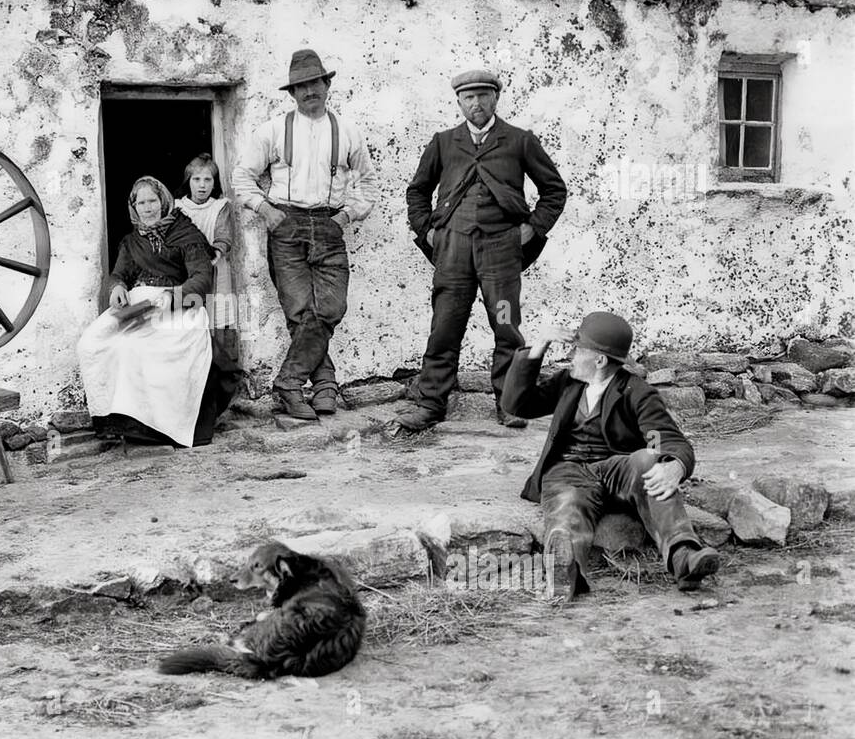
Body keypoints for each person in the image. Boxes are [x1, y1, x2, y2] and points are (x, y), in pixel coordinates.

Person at [501, 312, 722, 601]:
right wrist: (539, 345)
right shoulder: (569, 382)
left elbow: (664, 439)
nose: (571, 356)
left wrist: (675, 466)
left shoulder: (636, 392)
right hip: (569, 470)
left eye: (578, 350)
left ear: (600, 360)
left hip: (616, 469)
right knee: (568, 506)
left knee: (649, 460)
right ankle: (565, 572)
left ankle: (684, 556)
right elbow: (517, 404)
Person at [399, 67, 568, 432]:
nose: (476, 103)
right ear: (459, 101)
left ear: (496, 98)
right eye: (468, 97)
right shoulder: (444, 142)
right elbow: (417, 191)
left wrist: (532, 228)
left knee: (506, 326)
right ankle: (431, 405)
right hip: (453, 251)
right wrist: (428, 231)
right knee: (444, 327)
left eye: (483, 96)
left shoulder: (520, 140)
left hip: (501, 253)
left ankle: (510, 403)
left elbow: (555, 191)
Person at [232, 49, 378, 420]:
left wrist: (344, 219)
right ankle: (325, 386)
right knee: (300, 313)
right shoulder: (274, 130)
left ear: (327, 85)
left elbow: (366, 184)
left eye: (315, 82)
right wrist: (268, 212)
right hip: (287, 225)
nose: (309, 91)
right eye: (301, 86)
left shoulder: (348, 132)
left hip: (329, 226)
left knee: (330, 308)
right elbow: (242, 178)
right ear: (292, 93)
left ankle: (289, 382)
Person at [78, 177, 239, 447]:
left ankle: (161, 427)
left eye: (152, 200)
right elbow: (119, 273)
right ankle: (118, 420)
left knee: (149, 350)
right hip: (141, 307)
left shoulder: (186, 234)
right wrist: (116, 286)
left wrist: (174, 296)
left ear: (164, 201)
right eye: (140, 202)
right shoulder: (131, 241)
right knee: (92, 344)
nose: (147, 208)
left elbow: (201, 276)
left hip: (179, 305)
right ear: (134, 207)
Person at [174, 153, 239, 359]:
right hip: (185, 271)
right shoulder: (177, 207)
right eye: (196, 179)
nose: (202, 185)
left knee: (218, 321)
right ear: (188, 181)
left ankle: (220, 375)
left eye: (207, 180)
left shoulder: (220, 207)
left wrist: (212, 256)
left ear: (214, 183)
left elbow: (223, 238)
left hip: (216, 268)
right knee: (187, 322)